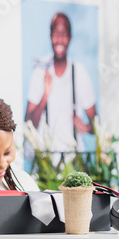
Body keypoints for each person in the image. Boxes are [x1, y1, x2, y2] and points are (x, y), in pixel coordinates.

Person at [24, 12, 96, 152]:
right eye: (56, 34)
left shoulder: (79, 72)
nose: (59, 40)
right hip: (45, 159)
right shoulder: (40, 71)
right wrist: (45, 96)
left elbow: (96, 125)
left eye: (64, 34)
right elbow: (28, 124)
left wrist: (86, 127)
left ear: (70, 38)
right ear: (50, 36)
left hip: (74, 158)